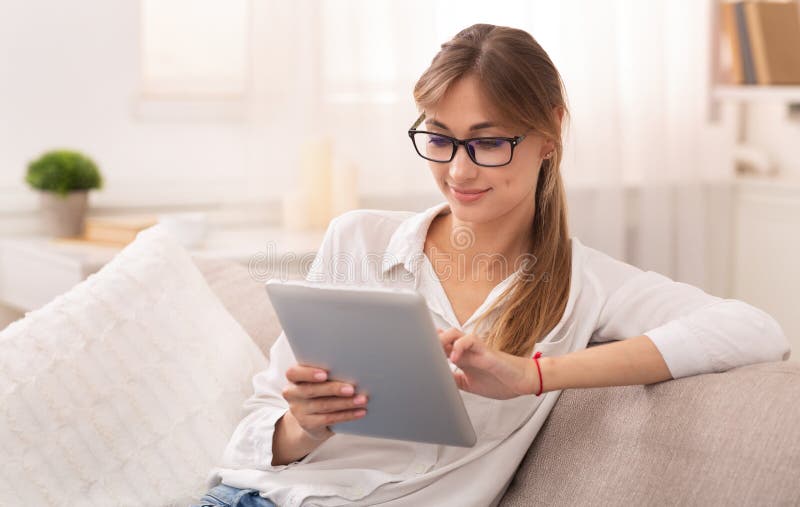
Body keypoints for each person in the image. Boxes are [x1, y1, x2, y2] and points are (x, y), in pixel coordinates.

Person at [192, 23, 791, 507]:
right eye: (439, 139)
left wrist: (533, 375)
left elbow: (753, 330)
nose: (458, 170)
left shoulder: (585, 286)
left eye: (488, 142)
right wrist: (304, 426)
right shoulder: (360, 241)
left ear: (550, 133)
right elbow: (252, 439)